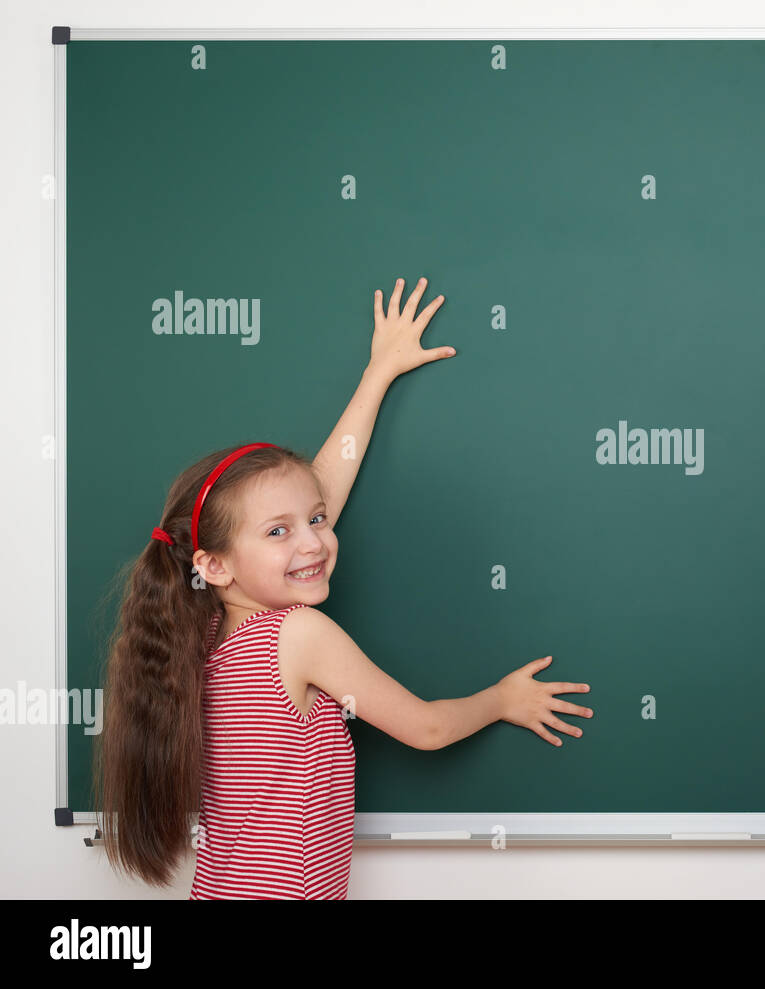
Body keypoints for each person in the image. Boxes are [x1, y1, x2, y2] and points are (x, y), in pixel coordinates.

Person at [93, 277, 593, 898]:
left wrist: (379, 373)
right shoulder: (296, 634)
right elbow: (427, 729)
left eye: (318, 521)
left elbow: (311, 492)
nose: (313, 542)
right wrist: (503, 699)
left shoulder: (202, 634)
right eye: (279, 532)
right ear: (215, 565)